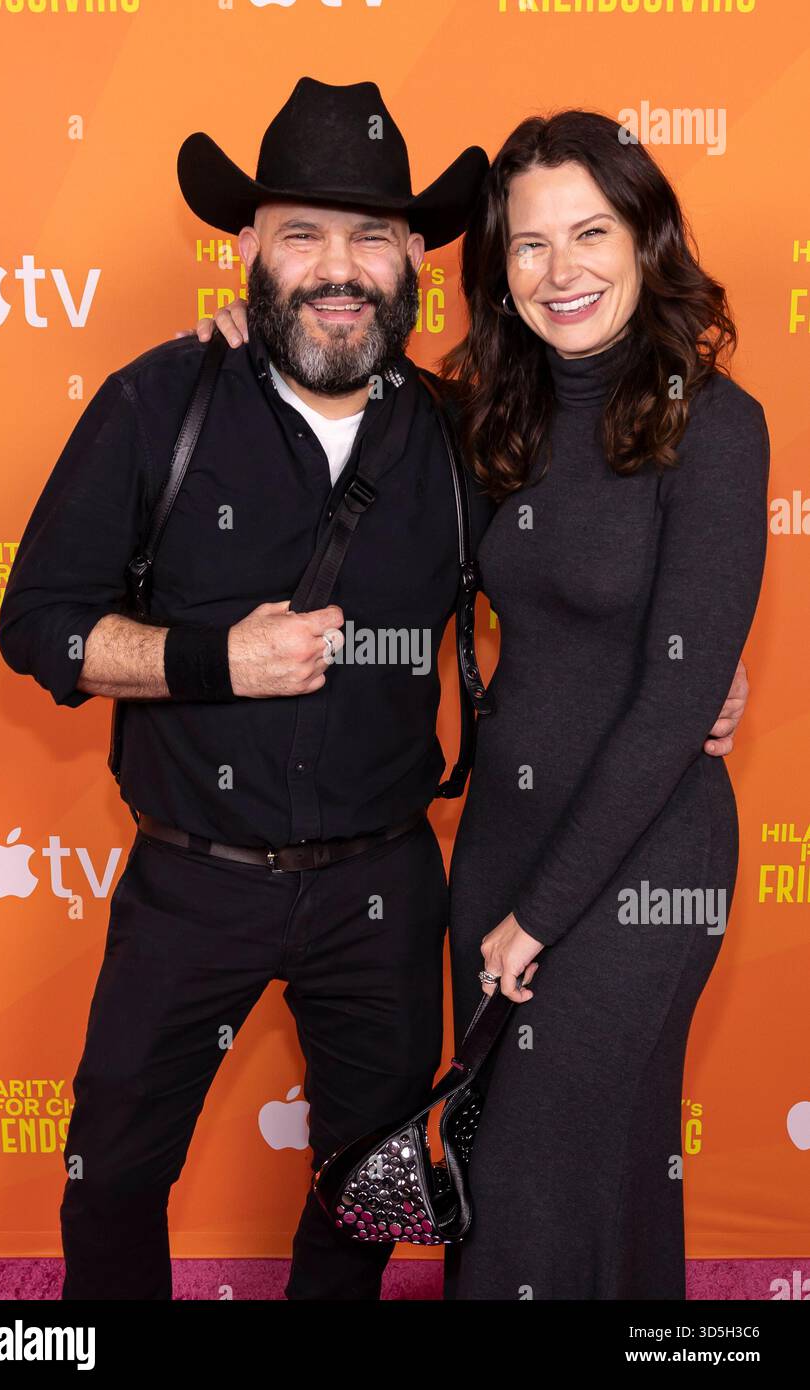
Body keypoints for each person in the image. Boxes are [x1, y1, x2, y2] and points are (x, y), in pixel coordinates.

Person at [0, 79, 747, 1303]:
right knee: (114, 1176)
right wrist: (208, 660)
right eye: (302, 233)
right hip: (193, 874)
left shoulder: (462, 432)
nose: (335, 268)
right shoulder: (159, 407)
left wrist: (702, 663)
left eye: (369, 237)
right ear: (247, 249)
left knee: (366, 1192)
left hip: (386, 889)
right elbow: (37, 626)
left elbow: (589, 580)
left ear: (414, 258)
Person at [441, 111, 770, 1299]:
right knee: (588, 1178)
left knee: (529, 1198)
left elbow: (669, 700)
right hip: (497, 843)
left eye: (587, 232)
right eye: (526, 245)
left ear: (644, 237)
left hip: (644, 854)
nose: (558, 269)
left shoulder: (714, 426)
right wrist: (231, 344)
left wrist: (540, 915)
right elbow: (330, 410)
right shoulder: (486, 415)